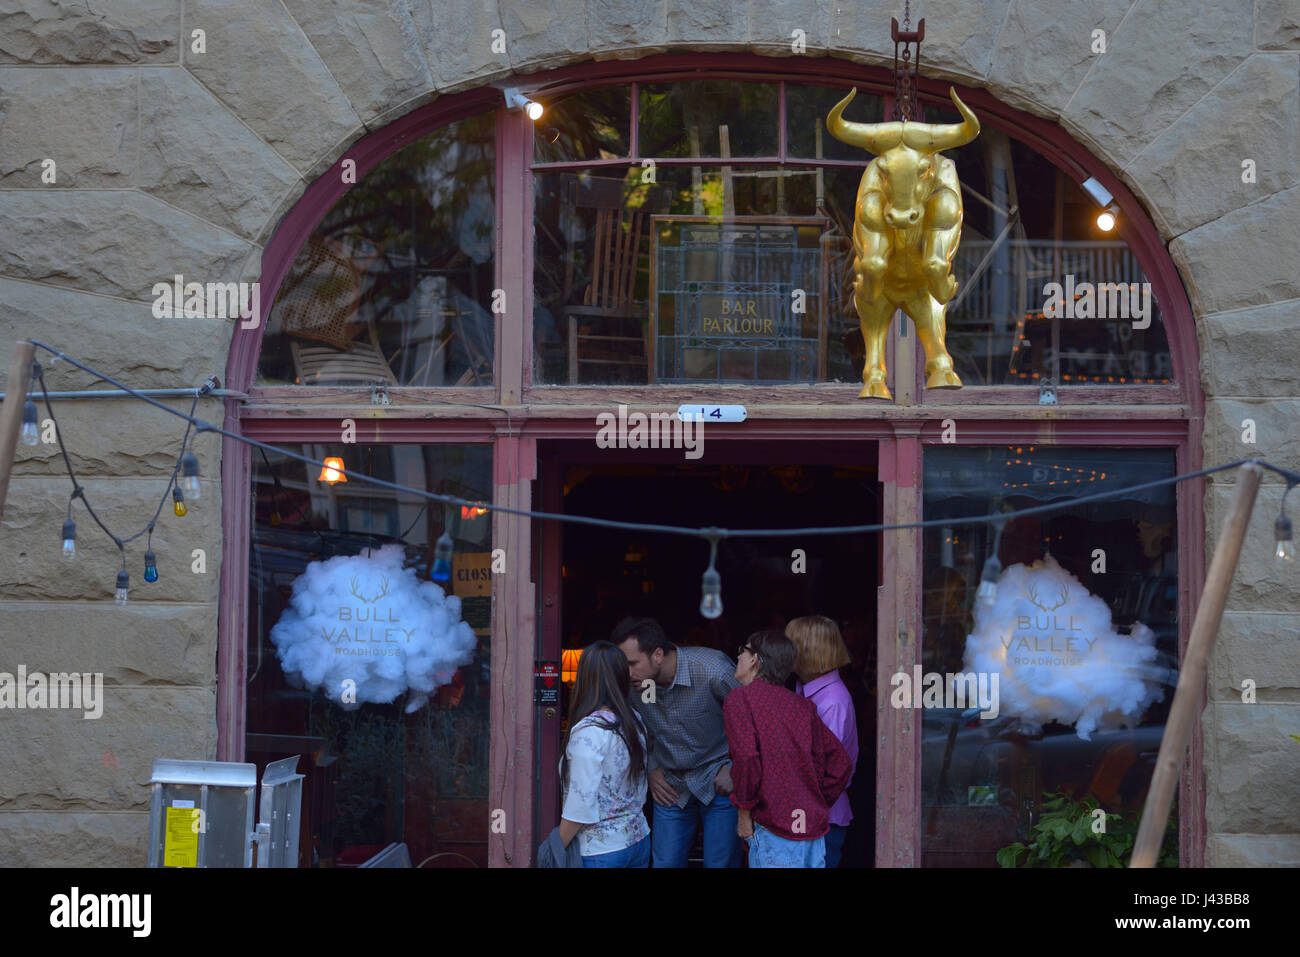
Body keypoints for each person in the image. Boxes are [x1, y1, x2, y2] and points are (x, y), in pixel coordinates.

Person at [613, 616, 742, 868]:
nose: (626, 673)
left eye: (632, 663)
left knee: (721, 863)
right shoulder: (633, 686)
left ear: (658, 655)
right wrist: (650, 769)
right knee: (665, 863)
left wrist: (736, 768)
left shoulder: (713, 670)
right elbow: (633, 731)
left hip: (718, 778)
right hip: (671, 786)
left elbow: (754, 721)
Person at [724, 630, 852, 868]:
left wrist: (743, 813)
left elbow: (746, 757)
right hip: (810, 829)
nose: (738, 657)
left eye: (742, 650)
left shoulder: (741, 699)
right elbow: (840, 764)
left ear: (755, 659)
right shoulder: (802, 705)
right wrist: (813, 799)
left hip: (775, 827)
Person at [557, 640, 651, 867]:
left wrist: (555, 849)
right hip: (638, 840)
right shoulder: (633, 720)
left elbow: (580, 806)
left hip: (601, 850)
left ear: (585, 679)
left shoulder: (589, 732)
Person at [786, 615, 860, 868]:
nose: (783, 650)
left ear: (807, 651)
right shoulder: (802, 688)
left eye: (790, 644)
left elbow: (826, 769)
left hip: (822, 820)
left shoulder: (833, 701)